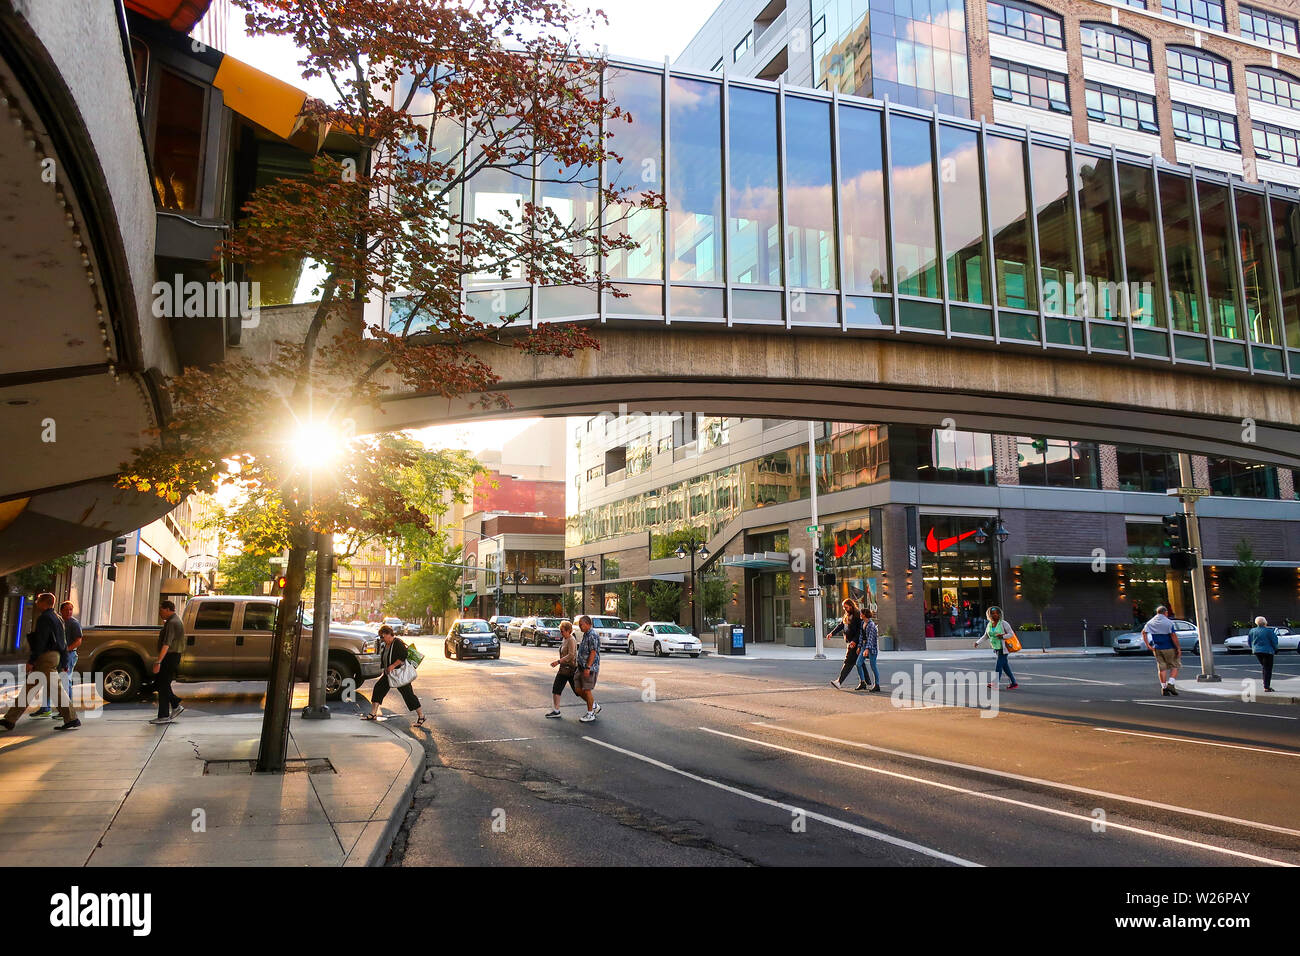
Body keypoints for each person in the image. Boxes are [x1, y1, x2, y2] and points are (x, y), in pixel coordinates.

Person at [0, 592, 79, 732]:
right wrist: (64, 662)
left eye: (38, 600)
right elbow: (63, 642)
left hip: (45, 658)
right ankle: (9, 720)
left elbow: (41, 641)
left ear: (44, 602)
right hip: (54, 656)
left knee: (56, 689)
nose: (36, 602)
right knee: (29, 689)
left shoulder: (44, 618)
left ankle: (72, 718)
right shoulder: (58, 618)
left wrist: (32, 660)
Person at [364, 625, 426, 726]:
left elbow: (403, 655)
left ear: (388, 634)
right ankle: (373, 713)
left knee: (408, 695)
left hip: (398, 674)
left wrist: (392, 666)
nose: (382, 639)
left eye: (383, 636)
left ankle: (421, 716)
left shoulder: (397, 643)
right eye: (381, 637)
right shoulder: (386, 644)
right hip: (389, 674)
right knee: (378, 688)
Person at [150, 601, 186, 724]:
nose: (160, 614)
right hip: (172, 656)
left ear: (168, 609)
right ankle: (167, 712)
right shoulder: (174, 621)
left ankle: (172, 708)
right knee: (162, 684)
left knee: (162, 684)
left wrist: (158, 661)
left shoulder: (172, 622)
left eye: (161, 611)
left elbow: (167, 644)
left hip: (170, 657)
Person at [974, 606, 1019, 690]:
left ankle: (995, 683)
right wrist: (977, 642)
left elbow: (1011, 634)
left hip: (1004, 648)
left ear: (999, 614)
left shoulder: (1003, 623)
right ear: (989, 615)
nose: (995, 615)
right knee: (1005, 666)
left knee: (998, 666)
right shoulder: (989, 624)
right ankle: (1014, 683)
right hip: (996, 648)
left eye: (996, 613)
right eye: (993, 613)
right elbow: (986, 635)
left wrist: (1003, 636)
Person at [1141, 605, 1180, 696]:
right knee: (1175, 665)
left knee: (1162, 668)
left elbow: (1143, 632)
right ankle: (1171, 683)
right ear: (1165, 612)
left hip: (1157, 648)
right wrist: (1178, 647)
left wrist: (1148, 645)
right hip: (1169, 647)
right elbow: (1173, 636)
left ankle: (1164, 687)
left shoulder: (1150, 622)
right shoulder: (1168, 622)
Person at [54, 601, 83, 717]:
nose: (69, 612)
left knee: (66, 681)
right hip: (60, 655)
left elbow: (78, 641)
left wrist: (67, 650)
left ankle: (67, 710)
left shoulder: (74, 623)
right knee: (60, 682)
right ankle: (63, 710)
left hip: (69, 655)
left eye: (71, 609)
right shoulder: (59, 621)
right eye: (66, 609)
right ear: (61, 610)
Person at [545, 620, 580, 718]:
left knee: (578, 691)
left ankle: (593, 705)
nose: (561, 633)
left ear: (569, 630)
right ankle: (556, 711)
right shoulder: (565, 639)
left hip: (571, 670)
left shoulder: (571, 640)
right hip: (563, 670)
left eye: (563, 631)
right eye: (560, 631)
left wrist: (558, 661)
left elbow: (571, 655)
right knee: (556, 689)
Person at [828, 598, 864, 690]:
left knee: (848, 662)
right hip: (849, 642)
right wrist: (832, 633)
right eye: (844, 607)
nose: (845, 609)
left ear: (851, 606)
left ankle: (839, 682)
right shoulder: (846, 615)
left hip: (854, 643)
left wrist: (855, 641)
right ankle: (865, 682)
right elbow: (841, 625)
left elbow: (859, 631)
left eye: (846, 607)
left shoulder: (857, 615)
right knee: (860, 663)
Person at [573, 615, 602, 722]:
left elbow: (593, 652)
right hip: (580, 667)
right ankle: (594, 705)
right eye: (579, 625)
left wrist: (588, 667)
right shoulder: (586, 634)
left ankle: (590, 713)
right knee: (578, 689)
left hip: (589, 667)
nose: (580, 626)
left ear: (588, 624)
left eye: (581, 624)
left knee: (587, 690)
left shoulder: (592, 635)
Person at [1249, 615, 1279, 693]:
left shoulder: (1252, 631)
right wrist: (1276, 649)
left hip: (1257, 651)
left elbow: (1250, 641)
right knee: (1268, 669)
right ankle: (1266, 686)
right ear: (1265, 622)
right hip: (1268, 651)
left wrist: (1253, 648)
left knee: (1264, 667)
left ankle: (1265, 684)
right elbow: (1274, 641)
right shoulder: (1269, 631)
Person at [857, 607, 882, 692]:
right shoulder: (862, 623)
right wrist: (859, 647)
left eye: (861, 613)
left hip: (872, 648)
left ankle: (877, 685)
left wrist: (867, 649)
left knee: (873, 666)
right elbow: (861, 635)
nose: (860, 615)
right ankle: (862, 682)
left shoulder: (871, 625)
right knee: (858, 664)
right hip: (864, 646)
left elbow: (871, 639)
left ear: (864, 615)